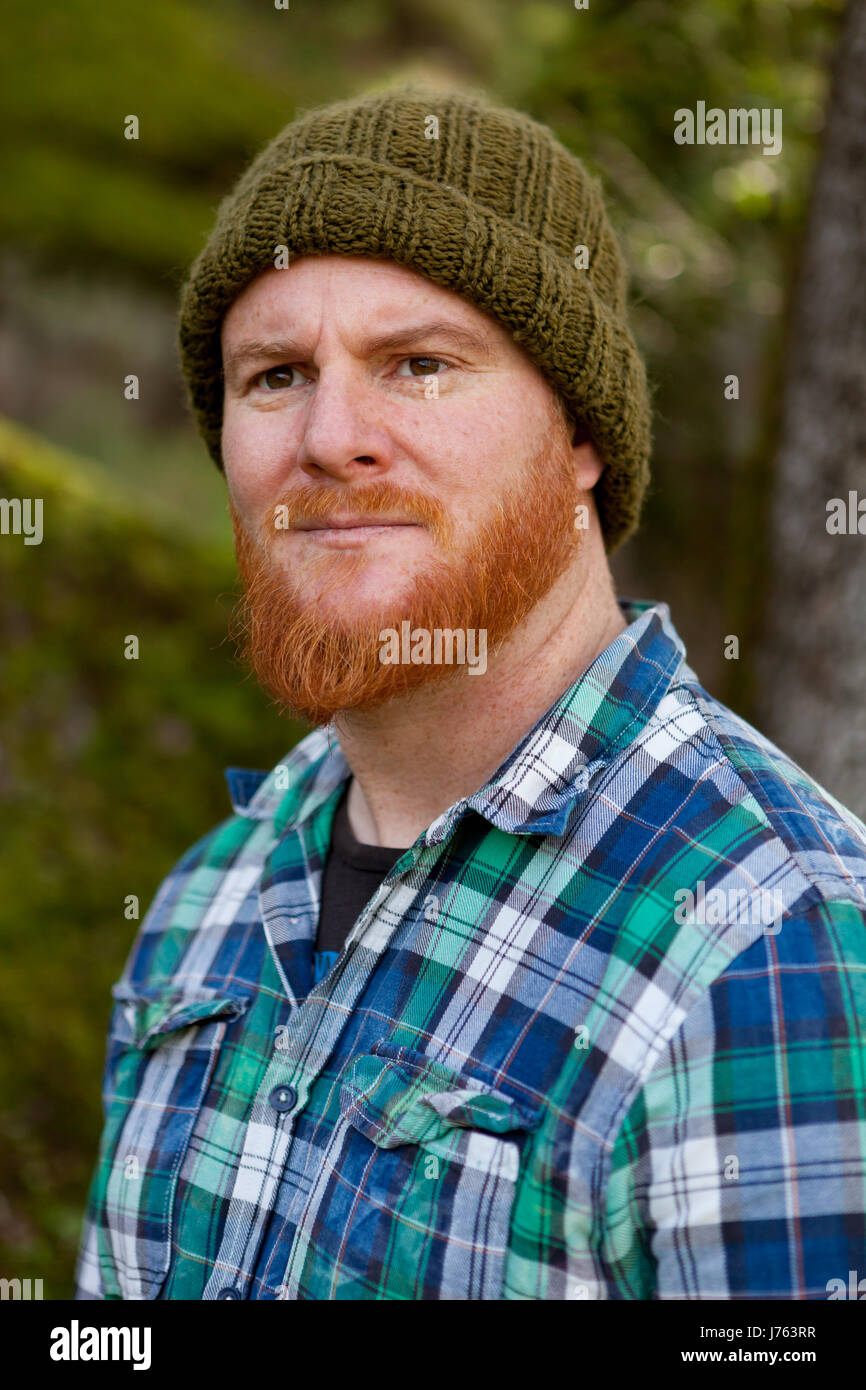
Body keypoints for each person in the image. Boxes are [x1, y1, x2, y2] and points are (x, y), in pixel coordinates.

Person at [75, 86, 866, 1301]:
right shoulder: (208, 900)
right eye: (275, 375)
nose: (332, 437)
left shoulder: (770, 942)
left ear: (581, 436)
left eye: (421, 365)